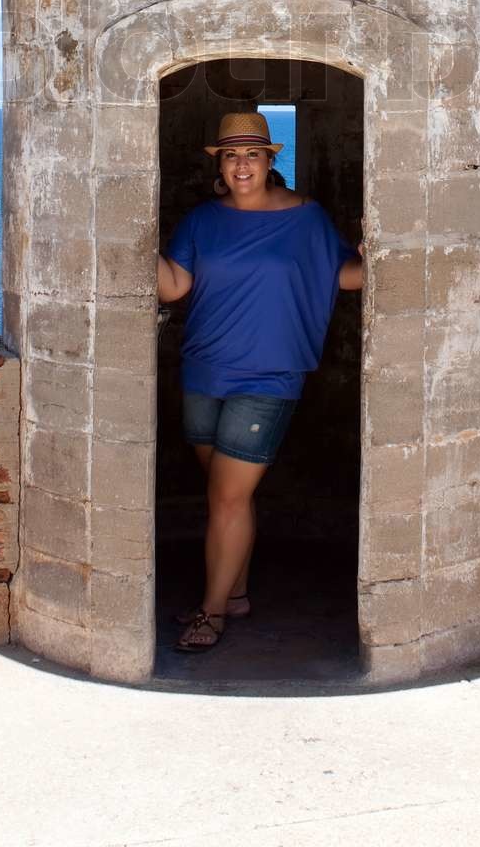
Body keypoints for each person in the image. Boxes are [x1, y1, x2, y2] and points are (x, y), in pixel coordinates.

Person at [156, 110, 363, 652]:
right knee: (225, 496)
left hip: (270, 375)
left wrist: (384, 256)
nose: (241, 164)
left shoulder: (307, 218)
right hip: (203, 369)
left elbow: (341, 276)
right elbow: (175, 286)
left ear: (272, 161)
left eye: (252, 154)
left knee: (228, 497)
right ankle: (238, 594)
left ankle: (211, 612)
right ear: (219, 166)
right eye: (230, 155)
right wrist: (128, 239)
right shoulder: (203, 220)